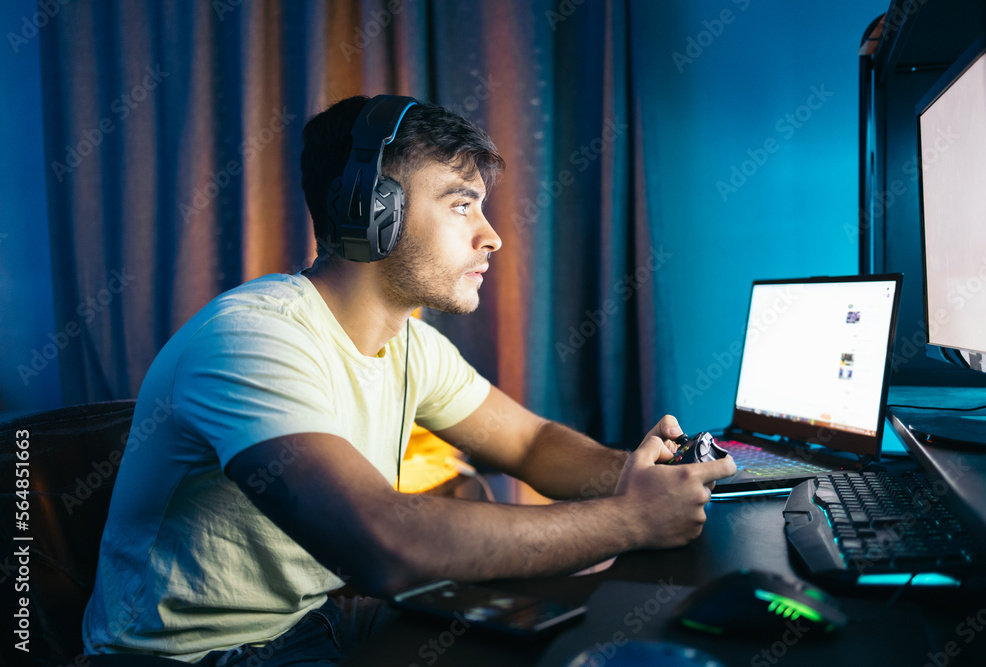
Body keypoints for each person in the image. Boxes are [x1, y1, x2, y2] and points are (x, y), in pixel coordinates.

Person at [82, 95, 737, 665]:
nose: (494, 237)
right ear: (370, 211)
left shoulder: (410, 344)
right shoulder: (254, 338)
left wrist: (645, 475)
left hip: (310, 632)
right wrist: (627, 519)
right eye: (462, 205)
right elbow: (383, 541)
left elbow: (533, 443)